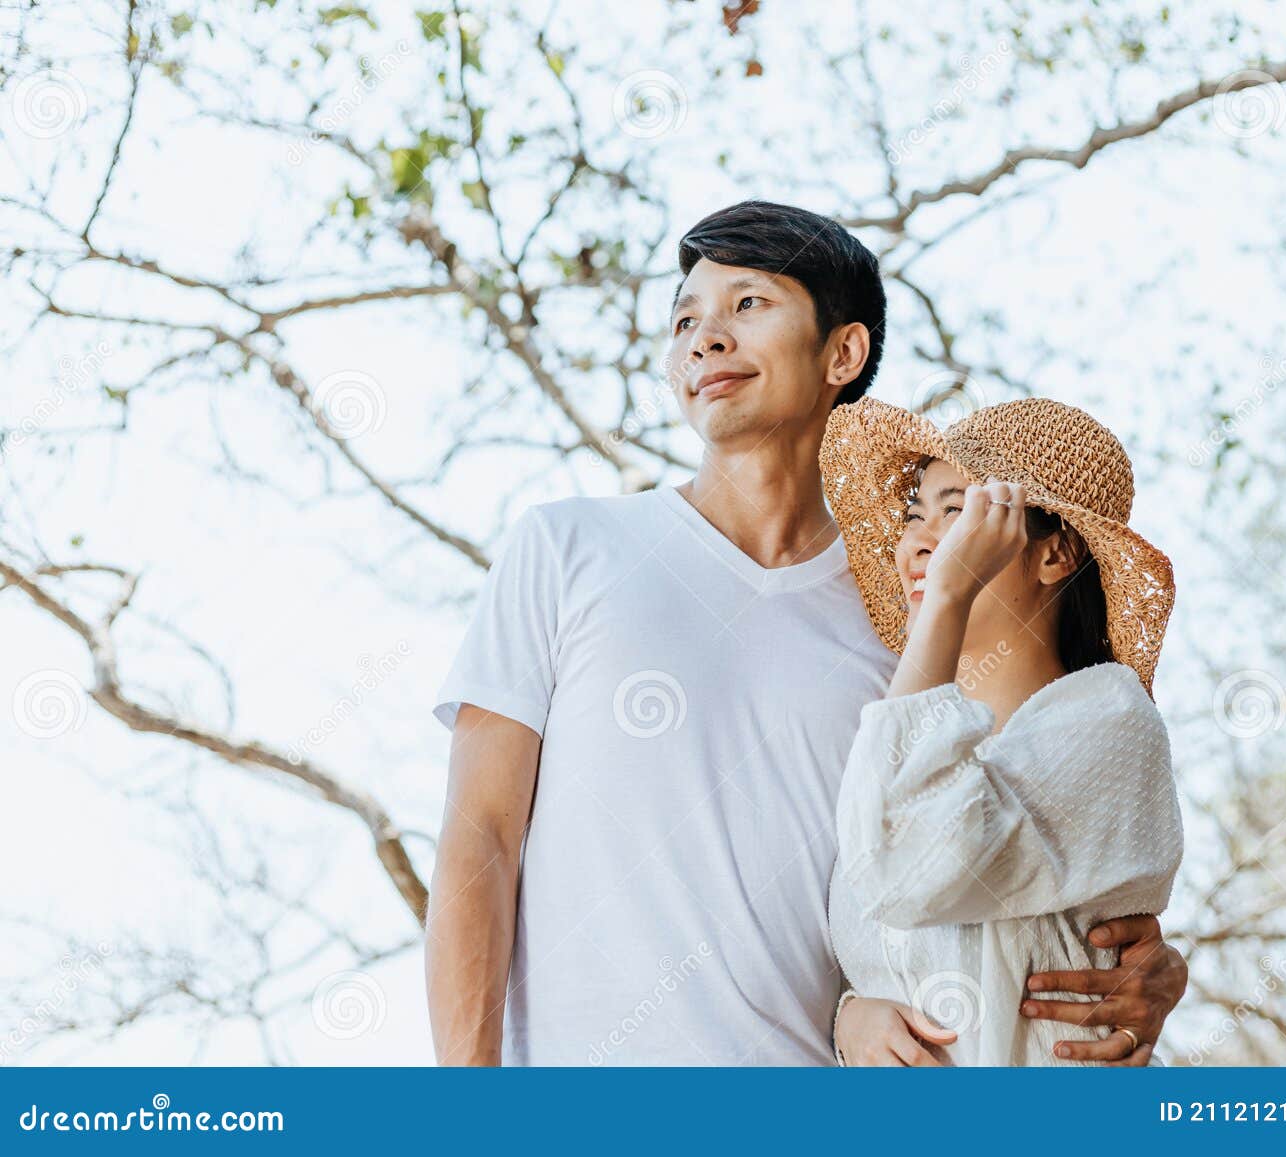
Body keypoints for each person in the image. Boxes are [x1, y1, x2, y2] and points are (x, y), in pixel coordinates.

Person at [426, 200, 1187, 1065]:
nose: (703, 340)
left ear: (843, 353)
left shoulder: (915, 627)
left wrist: (1146, 961)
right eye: (684, 321)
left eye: (747, 304)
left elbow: (988, 857)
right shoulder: (568, 548)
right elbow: (480, 837)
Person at [820, 397, 1181, 1065]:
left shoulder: (1110, 720)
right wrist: (850, 1016)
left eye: (959, 514)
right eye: (915, 516)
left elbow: (909, 868)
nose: (921, 542)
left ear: (1055, 554)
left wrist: (948, 596)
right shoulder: (901, 737)